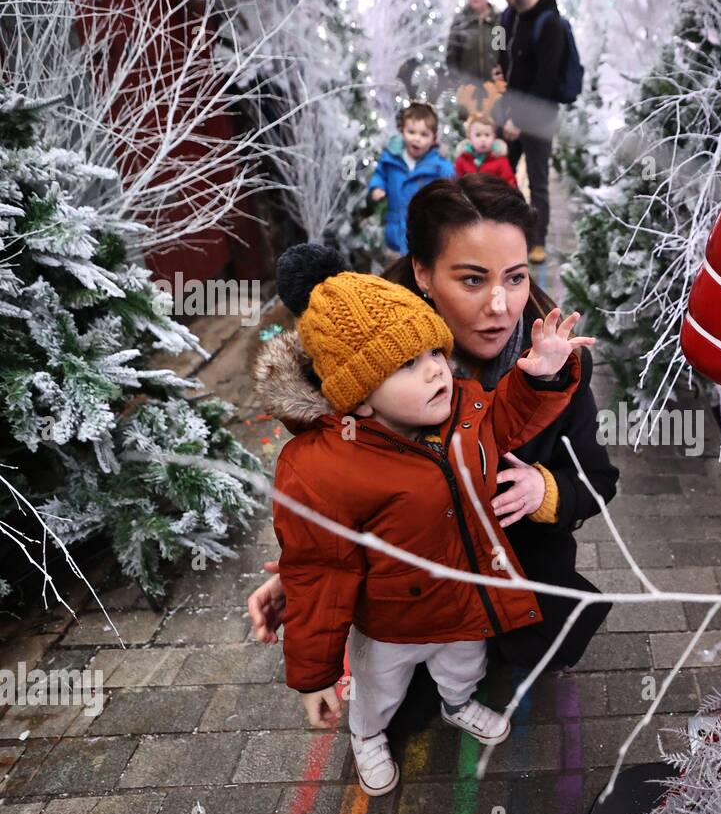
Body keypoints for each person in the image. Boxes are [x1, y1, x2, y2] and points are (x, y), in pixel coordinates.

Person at [249, 176, 618, 731]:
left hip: (518, 581)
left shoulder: (556, 365)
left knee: (526, 661)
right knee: (399, 713)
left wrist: (548, 491)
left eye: (515, 278)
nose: (501, 306)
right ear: (422, 272)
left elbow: (598, 479)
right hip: (409, 598)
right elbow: (336, 509)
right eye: (472, 279)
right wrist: (300, 581)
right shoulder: (355, 361)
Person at [496, 0, 573, 265]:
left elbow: (546, 78)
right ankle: (502, 235)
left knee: (537, 179)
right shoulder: (507, 16)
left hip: (538, 116)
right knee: (498, 172)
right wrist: (499, 72)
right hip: (506, 110)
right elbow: (501, 52)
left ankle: (537, 241)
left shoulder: (549, 23)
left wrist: (520, 121)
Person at [367, 103, 456, 255]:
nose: (416, 139)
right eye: (411, 132)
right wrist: (377, 187)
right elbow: (380, 174)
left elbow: (451, 193)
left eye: (424, 134)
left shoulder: (440, 167)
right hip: (395, 227)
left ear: (433, 138)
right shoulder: (391, 158)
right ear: (402, 131)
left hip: (425, 231)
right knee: (394, 267)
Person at [446, 0, 500, 87]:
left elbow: (505, 54)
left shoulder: (499, 19)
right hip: (468, 91)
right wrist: (458, 85)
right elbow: (451, 60)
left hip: (495, 90)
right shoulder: (460, 22)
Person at [454, 113, 518, 187]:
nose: (483, 139)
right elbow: (456, 183)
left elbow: (510, 183)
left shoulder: (500, 161)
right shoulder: (462, 160)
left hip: (494, 196)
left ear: (494, 137)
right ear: (469, 138)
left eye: (487, 135)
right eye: (478, 135)